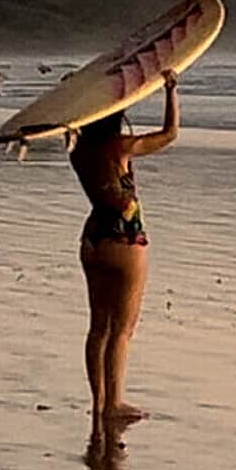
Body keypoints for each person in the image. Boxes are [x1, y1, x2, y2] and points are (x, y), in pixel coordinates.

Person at [70, 68, 179, 439]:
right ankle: (114, 403)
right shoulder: (120, 147)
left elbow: (69, 119)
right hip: (125, 241)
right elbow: (169, 135)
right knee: (123, 330)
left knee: (98, 326)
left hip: (93, 239)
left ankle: (98, 402)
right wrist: (171, 91)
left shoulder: (79, 151)